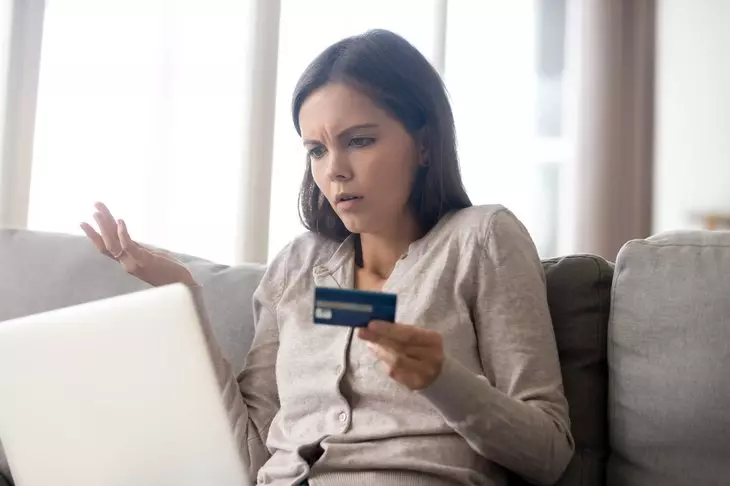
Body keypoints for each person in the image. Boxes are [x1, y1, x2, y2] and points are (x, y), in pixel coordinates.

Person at [82, 29, 574, 486]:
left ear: (424, 145)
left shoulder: (482, 239)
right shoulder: (297, 267)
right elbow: (252, 456)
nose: (335, 170)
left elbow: (549, 453)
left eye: (359, 141)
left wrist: (443, 380)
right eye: (316, 150)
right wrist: (183, 299)